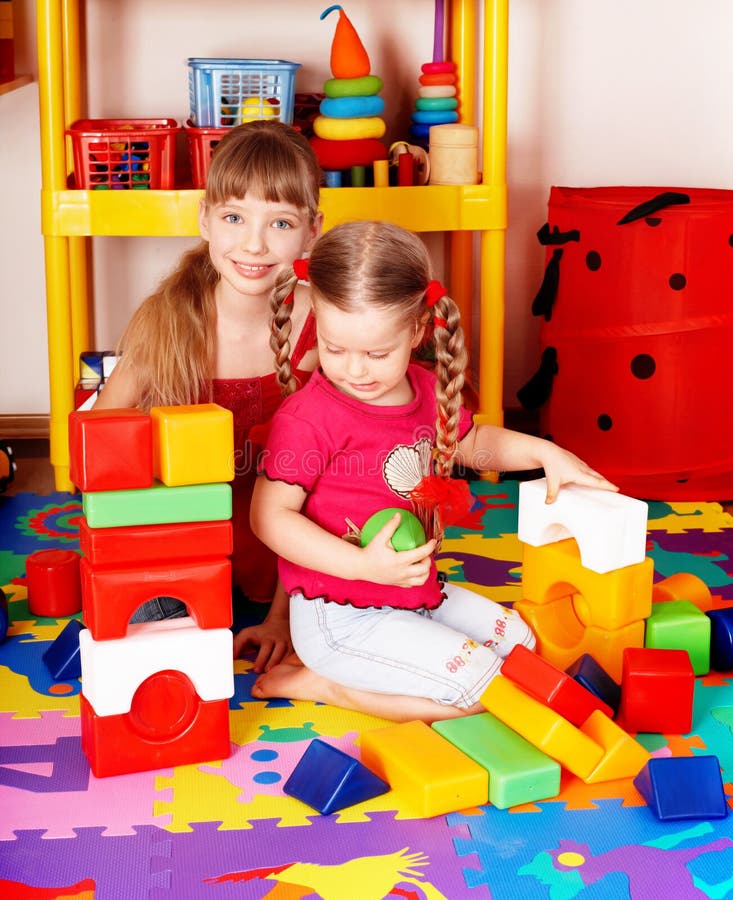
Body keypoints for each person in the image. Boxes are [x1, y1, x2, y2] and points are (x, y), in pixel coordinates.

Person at [250, 220, 619, 724]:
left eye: (377, 353)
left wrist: (543, 454)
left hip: (413, 595)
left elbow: (473, 443)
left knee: (525, 646)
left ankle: (386, 661)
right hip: (340, 614)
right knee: (485, 692)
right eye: (335, 349)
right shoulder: (308, 419)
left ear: (418, 331)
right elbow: (270, 518)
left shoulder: (423, 390)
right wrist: (362, 566)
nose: (354, 370)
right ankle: (327, 684)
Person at [94, 120, 323, 672]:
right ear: (205, 219)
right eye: (234, 217)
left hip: (300, 551)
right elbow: (102, 447)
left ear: (313, 230)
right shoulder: (169, 321)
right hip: (187, 547)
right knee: (143, 645)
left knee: (366, 618)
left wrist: (282, 617)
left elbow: (333, 486)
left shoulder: (325, 326)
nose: (254, 243)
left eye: (281, 222)